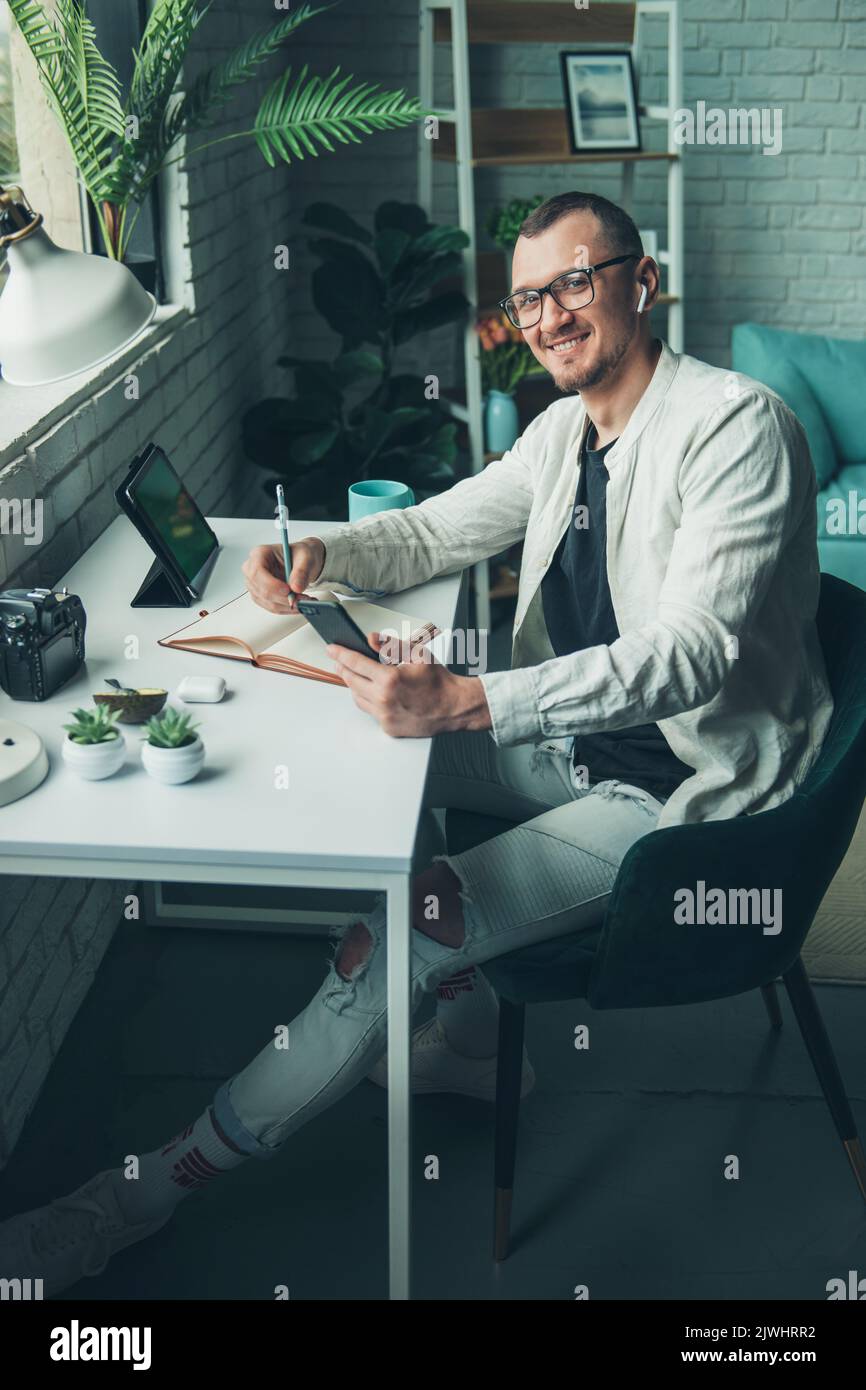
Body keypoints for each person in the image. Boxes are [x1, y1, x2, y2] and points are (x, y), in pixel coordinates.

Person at [0, 192, 832, 1297]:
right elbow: (440, 527)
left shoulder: (735, 428)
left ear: (641, 280)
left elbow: (687, 656)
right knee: (366, 742)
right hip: (585, 746)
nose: (547, 315)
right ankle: (473, 1037)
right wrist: (321, 558)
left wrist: (469, 702)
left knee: (396, 930)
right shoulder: (563, 432)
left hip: (681, 796)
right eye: (528, 296)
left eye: (574, 281)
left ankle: (133, 1197)